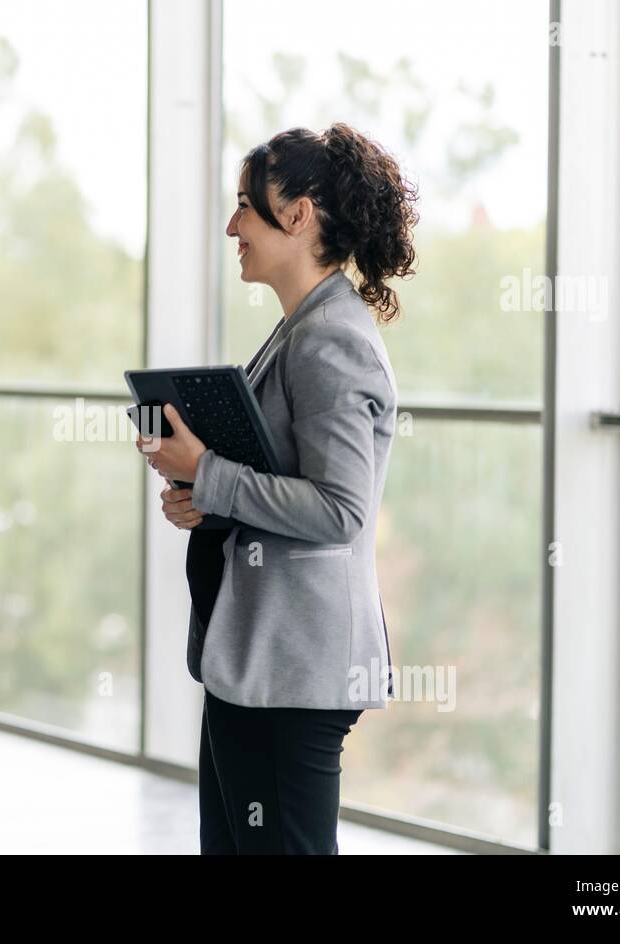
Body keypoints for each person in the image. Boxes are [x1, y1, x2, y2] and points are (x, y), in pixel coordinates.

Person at [136, 123, 418, 854]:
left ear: (297, 216)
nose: (232, 227)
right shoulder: (300, 329)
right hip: (259, 661)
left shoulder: (333, 339)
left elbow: (341, 511)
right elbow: (283, 481)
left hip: (294, 672)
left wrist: (210, 473)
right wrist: (205, 500)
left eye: (244, 208)